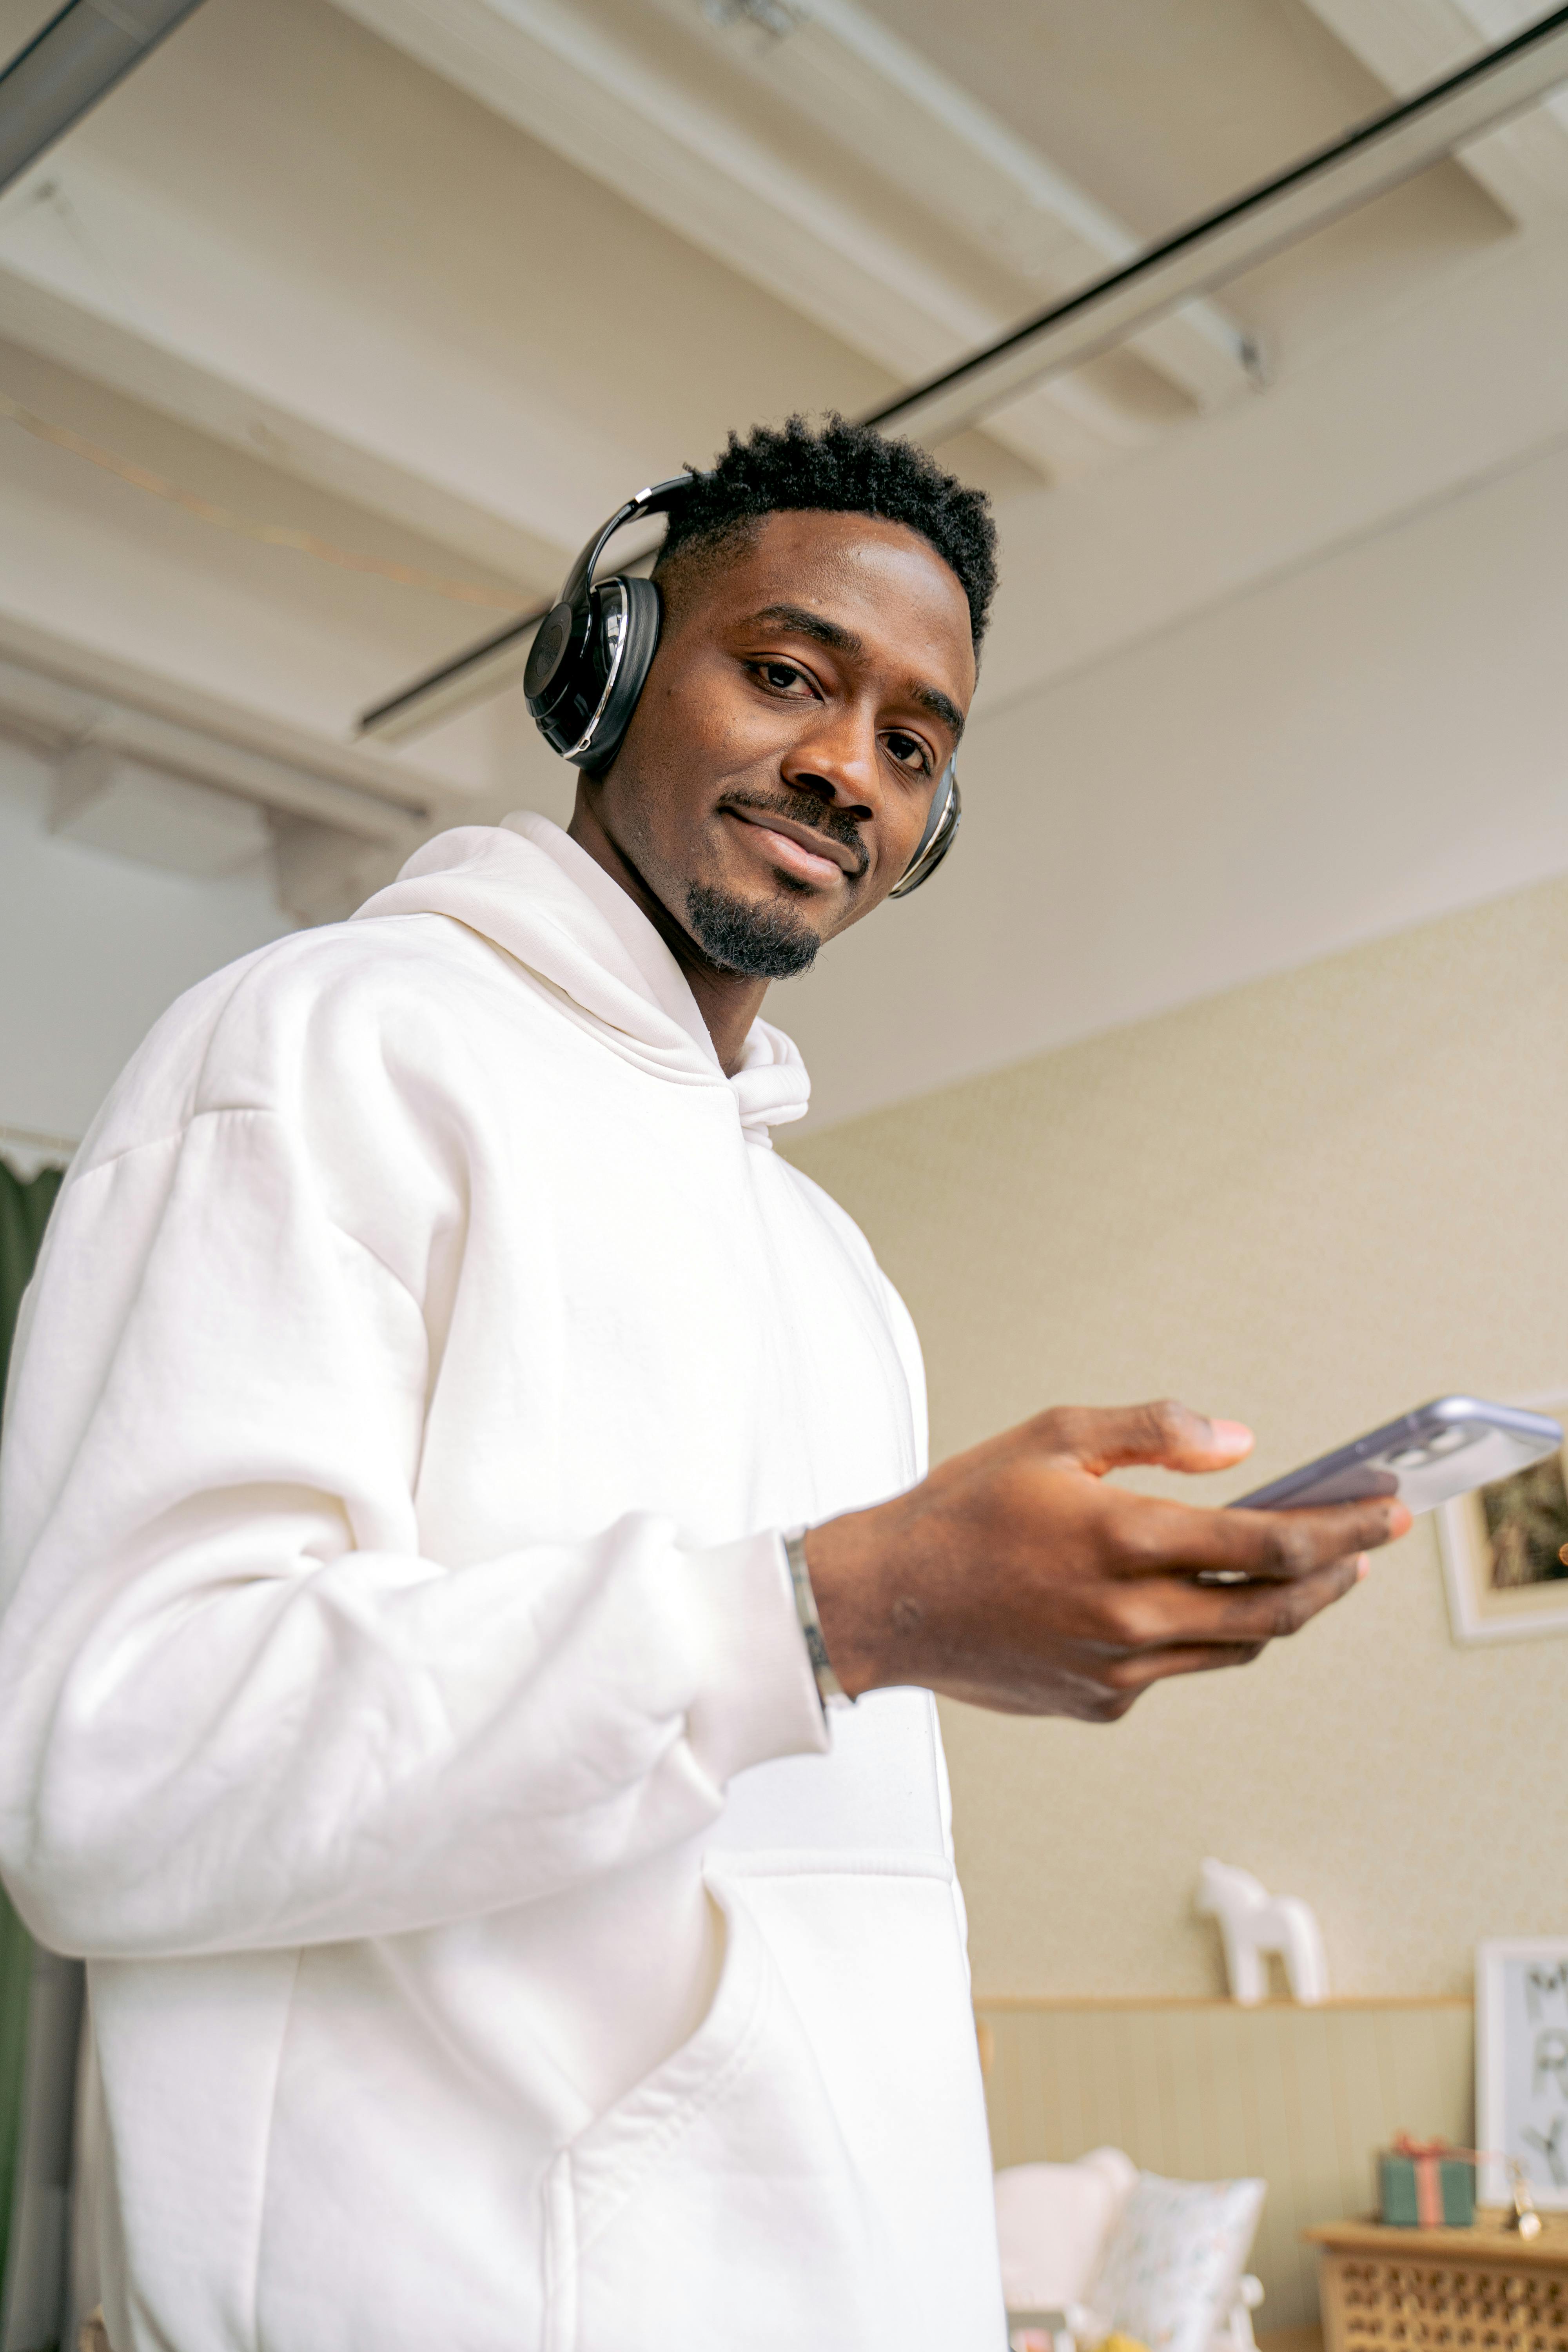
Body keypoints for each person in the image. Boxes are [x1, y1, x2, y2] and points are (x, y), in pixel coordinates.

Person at [0, 417, 1407, 2352]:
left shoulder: (832, 1270)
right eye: (786, 672)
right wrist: (846, 1607)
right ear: (606, 667)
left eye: (915, 743)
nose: (847, 767)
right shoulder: (320, 1047)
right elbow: (113, 1770)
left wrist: (967, 1614)